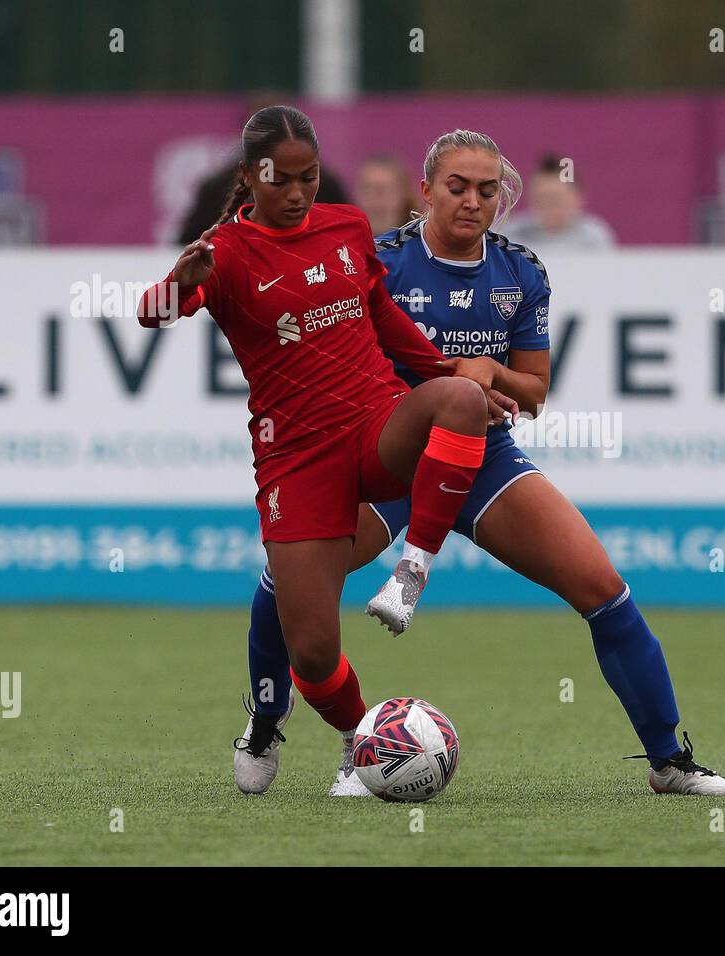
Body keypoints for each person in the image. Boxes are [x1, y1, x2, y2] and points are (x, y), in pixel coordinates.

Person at [235, 129, 725, 798]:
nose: (473, 201)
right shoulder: (376, 260)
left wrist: (490, 371)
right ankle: (268, 722)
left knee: (604, 591)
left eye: (487, 189)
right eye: (458, 187)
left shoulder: (521, 271)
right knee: (286, 579)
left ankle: (669, 762)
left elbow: (532, 394)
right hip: (388, 461)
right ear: (426, 192)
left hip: (485, 463)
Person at [138, 106, 516, 795]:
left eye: (309, 177)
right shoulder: (222, 252)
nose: (299, 191)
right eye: (283, 179)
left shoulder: (344, 225)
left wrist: (445, 375)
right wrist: (178, 281)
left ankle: (411, 574)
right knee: (312, 653)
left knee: (461, 399)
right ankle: (351, 738)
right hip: (297, 461)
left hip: (375, 424)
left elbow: (383, 315)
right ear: (252, 176)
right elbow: (151, 314)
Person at [175, 98, 351, 246]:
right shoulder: (215, 189)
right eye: (277, 181)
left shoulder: (329, 188)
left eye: (308, 178)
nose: (296, 195)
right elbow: (183, 248)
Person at [501, 153, 616, 252]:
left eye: (557, 199)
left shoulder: (594, 237)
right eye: (542, 199)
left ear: (578, 199)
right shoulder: (510, 237)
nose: (549, 207)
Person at [353, 154, 416, 236]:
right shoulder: (341, 243)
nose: (374, 199)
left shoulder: (426, 245)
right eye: (367, 190)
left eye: (384, 190)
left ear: (404, 195)